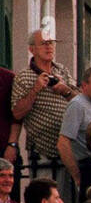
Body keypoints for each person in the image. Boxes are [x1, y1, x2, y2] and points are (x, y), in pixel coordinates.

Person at [11, 30, 78, 184]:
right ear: (32, 49)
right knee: (45, 197)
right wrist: (35, 90)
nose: (49, 47)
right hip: (42, 150)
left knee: (68, 201)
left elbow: (80, 102)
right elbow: (17, 113)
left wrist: (65, 90)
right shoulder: (24, 77)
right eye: (44, 43)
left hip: (68, 147)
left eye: (51, 43)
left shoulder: (62, 71)